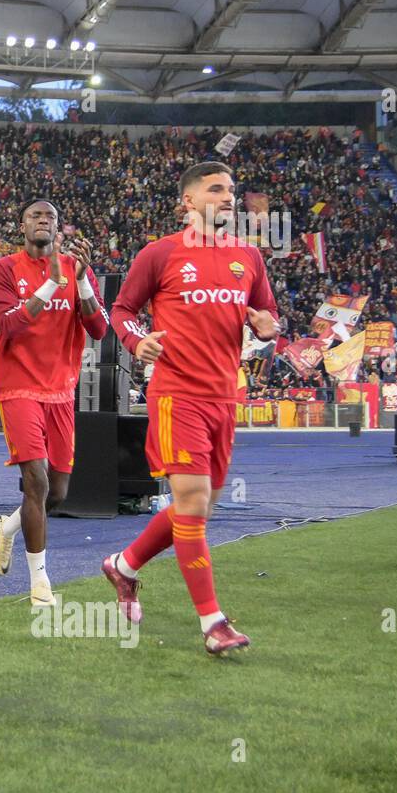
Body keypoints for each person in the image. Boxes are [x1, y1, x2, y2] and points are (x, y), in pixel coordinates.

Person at [106, 162, 279, 656]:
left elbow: (267, 315)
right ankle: (213, 622)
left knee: (197, 508)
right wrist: (137, 342)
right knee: (194, 504)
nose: (229, 197)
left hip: (224, 397)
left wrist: (268, 327)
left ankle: (123, 566)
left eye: (231, 188)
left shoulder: (248, 256)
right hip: (176, 395)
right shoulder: (160, 254)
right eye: (217, 189)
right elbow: (122, 310)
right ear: (187, 201)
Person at [0, 201, 109, 605]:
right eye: (36, 216)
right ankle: (40, 583)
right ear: (22, 224)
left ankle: (8, 528)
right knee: (35, 482)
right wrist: (54, 283)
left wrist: (83, 280)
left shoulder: (74, 268)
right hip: (18, 386)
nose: (43, 221)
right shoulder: (4, 269)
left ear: (58, 228)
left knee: (57, 491)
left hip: (60, 390)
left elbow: (99, 329)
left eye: (51, 217)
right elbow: (11, 325)